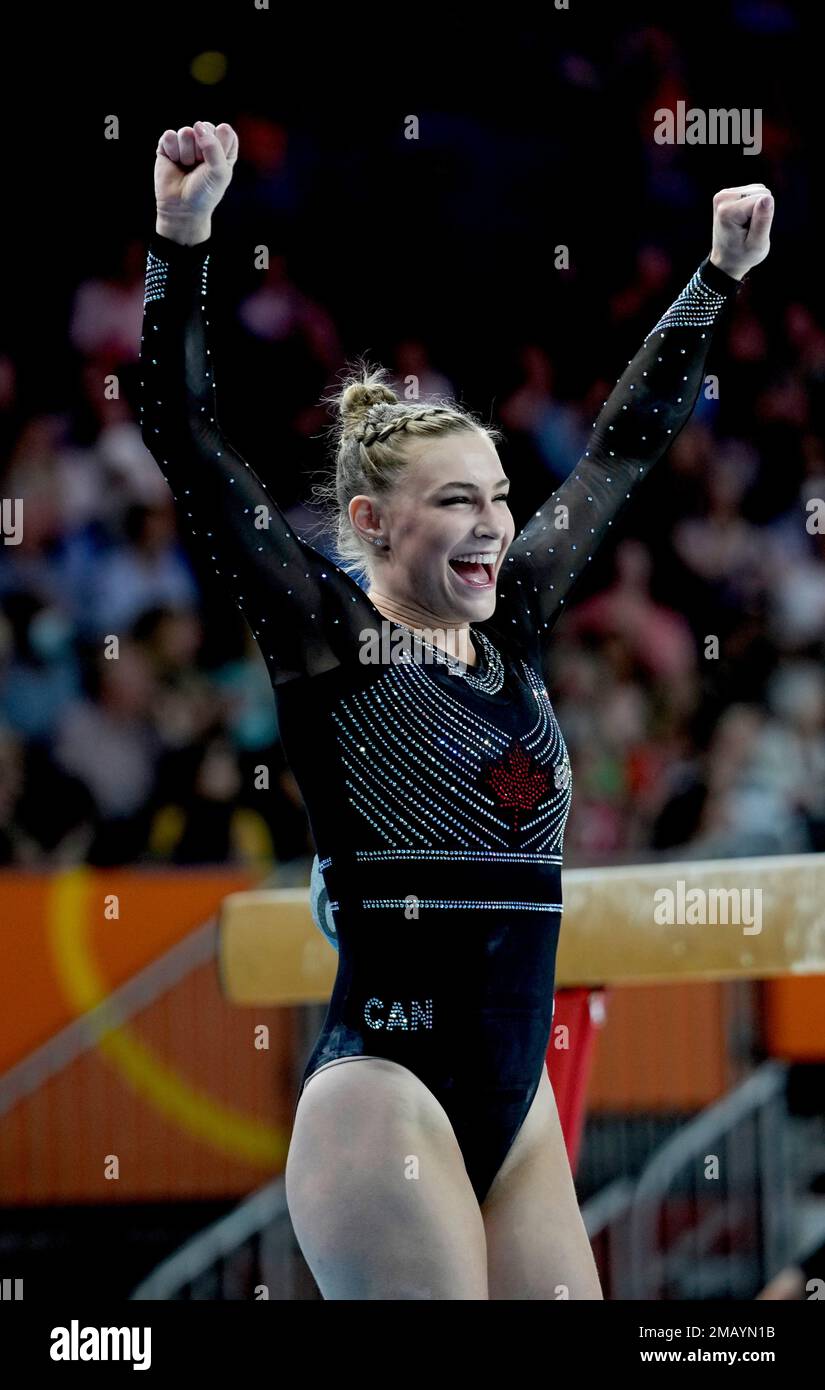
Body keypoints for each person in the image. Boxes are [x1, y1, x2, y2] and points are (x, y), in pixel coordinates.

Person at [140, 120, 773, 1299]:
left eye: (497, 495)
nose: (492, 523)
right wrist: (184, 238)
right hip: (384, 1098)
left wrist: (716, 279)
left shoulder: (515, 621)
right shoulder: (331, 638)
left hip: (513, 1107)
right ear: (374, 525)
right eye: (454, 502)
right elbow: (186, 436)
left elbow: (621, 454)